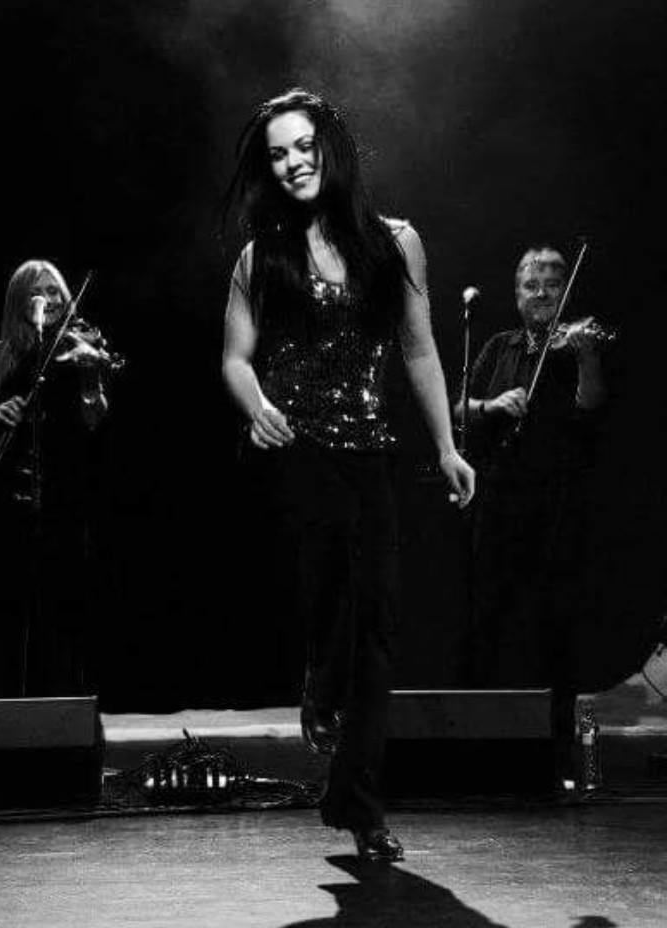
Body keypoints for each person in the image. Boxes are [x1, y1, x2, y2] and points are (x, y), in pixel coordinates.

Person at [222, 88, 474, 860]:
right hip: (299, 452)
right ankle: (319, 680)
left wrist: (446, 446)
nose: (292, 163)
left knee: (380, 625)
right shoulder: (261, 255)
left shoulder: (397, 242)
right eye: (277, 153)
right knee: (338, 600)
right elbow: (234, 357)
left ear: (331, 147)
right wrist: (257, 402)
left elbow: (420, 350)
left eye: (303, 146)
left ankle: (360, 803)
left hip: (371, 452)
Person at [456, 245, 608, 778]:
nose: (542, 293)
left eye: (552, 284)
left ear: (565, 292)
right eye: (531, 284)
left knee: (555, 623)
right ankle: (492, 747)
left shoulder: (575, 347)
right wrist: (492, 406)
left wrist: (588, 355)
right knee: (491, 617)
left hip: (559, 504)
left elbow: (590, 408)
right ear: (517, 294)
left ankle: (557, 749)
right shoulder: (499, 347)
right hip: (498, 500)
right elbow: (457, 408)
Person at [0, 259, 109, 697]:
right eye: (40, 292)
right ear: (21, 302)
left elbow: (96, 420)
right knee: (4, 613)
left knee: (63, 611)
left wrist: (92, 378)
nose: (53, 299)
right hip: (3, 499)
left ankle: (65, 708)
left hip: (64, 496)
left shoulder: (77, 354)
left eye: (56, 290)